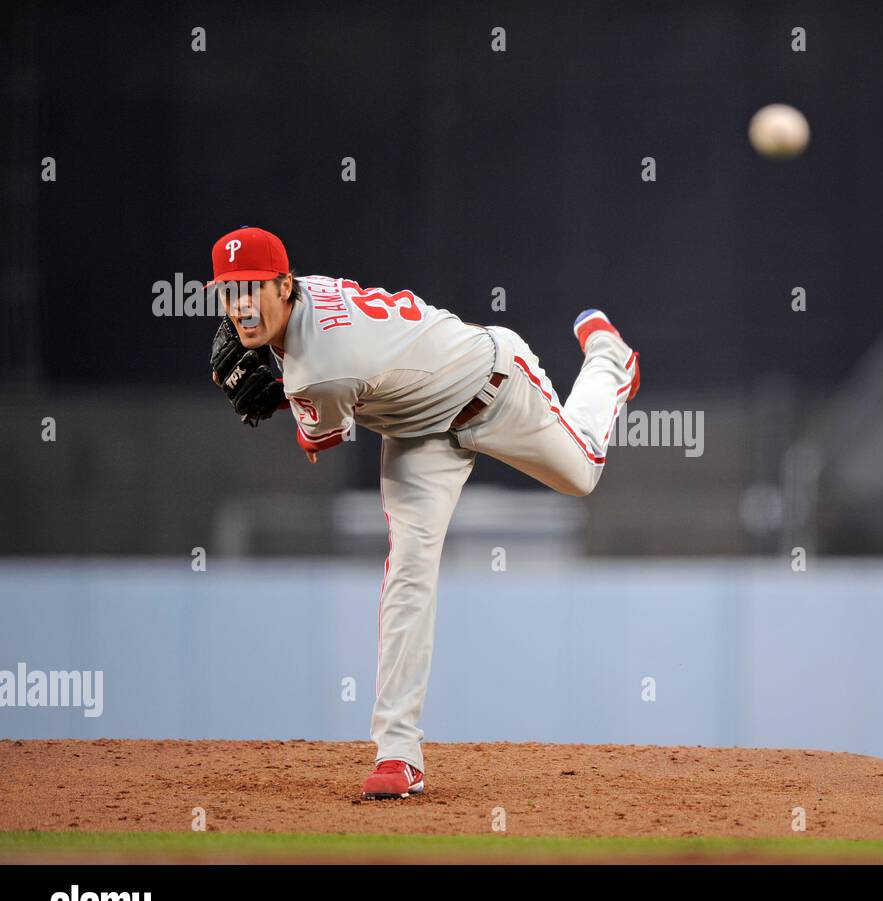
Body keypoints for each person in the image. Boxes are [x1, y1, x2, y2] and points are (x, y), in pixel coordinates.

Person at [206, 226, 640, 798]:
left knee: (582, 473)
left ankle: (609, 361)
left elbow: (318, 443)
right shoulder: (302, 304)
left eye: (253, 287)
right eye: (228, 290)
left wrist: (285, 392)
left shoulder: (320, 370)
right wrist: (285, 378)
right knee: (408, 573)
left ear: (285, 286)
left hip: (495, 386)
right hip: (417, 435)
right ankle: (398, 753)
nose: (240, 304)